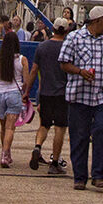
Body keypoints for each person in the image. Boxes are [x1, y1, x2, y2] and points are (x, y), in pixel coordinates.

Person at [59, 6, 103, 191]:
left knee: (102, 131)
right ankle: (80, 177)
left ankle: (98, 175)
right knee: (79, 137)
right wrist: (80, 72)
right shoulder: (74, 38)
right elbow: (64, 63)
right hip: (80, 96)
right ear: (96, 21)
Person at [27, 18, 69, 174]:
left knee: (44, 124)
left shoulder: (42, 47)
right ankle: (55, 161)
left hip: (45, 92)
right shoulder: (67, 47)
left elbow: (33, 71)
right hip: (62, 93)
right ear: (65, 30)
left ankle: (37, 146)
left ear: (53, 28)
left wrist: (27, 91)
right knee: (60, 127)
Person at [0, 31, 28, 167]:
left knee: (3, 128)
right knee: (10, 128)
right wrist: (25, 94)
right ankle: (5, 154)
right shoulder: (22, 60)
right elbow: (26, 81)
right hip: (14, 94)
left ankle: (5, 153)